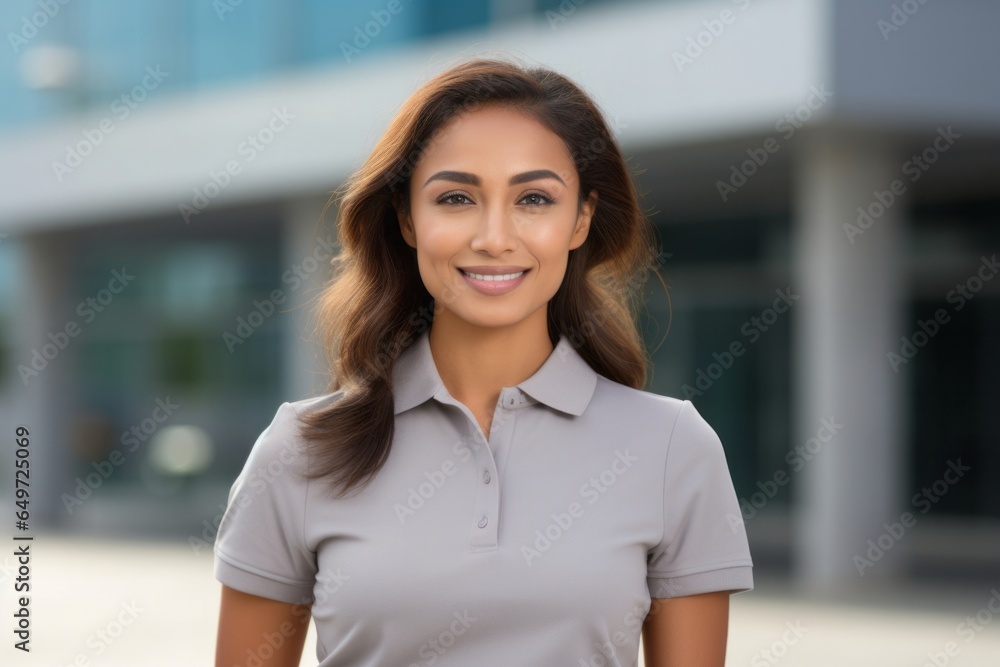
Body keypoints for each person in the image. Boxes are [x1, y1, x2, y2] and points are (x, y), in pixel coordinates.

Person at [213, 55, 753, 667]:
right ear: (406, 219)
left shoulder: (673, 448)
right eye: (456, 197)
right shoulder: (300, 448)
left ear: (580, 219)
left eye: (534, 198)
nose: (494, 237)